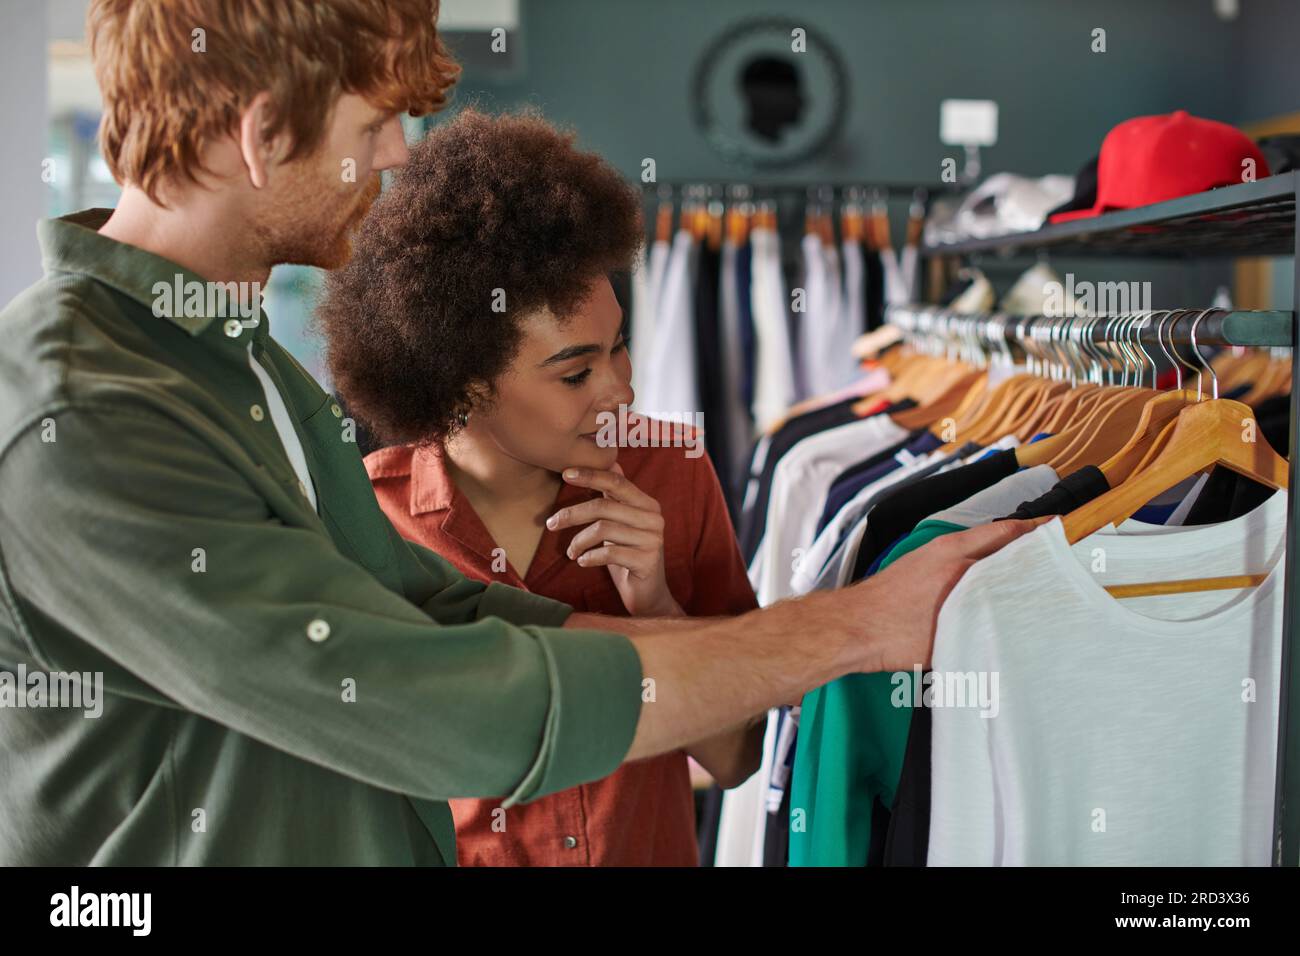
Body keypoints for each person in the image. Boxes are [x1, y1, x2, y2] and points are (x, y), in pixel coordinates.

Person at [0, 0, 1034, 866]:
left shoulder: (250, 366)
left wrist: (833, 620)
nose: (397, 154)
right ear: (263, 134)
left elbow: (447, 618)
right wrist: (852, 628)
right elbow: (435, 703)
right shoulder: (89, 408)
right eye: (369, 129)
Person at [316, 109, 765, 866]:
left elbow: (738, 758)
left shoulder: (672, 473)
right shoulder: (366, 519)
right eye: (575, 371)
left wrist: (655, 604)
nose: (620, 390)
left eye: (620, 347)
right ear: (464, 382)